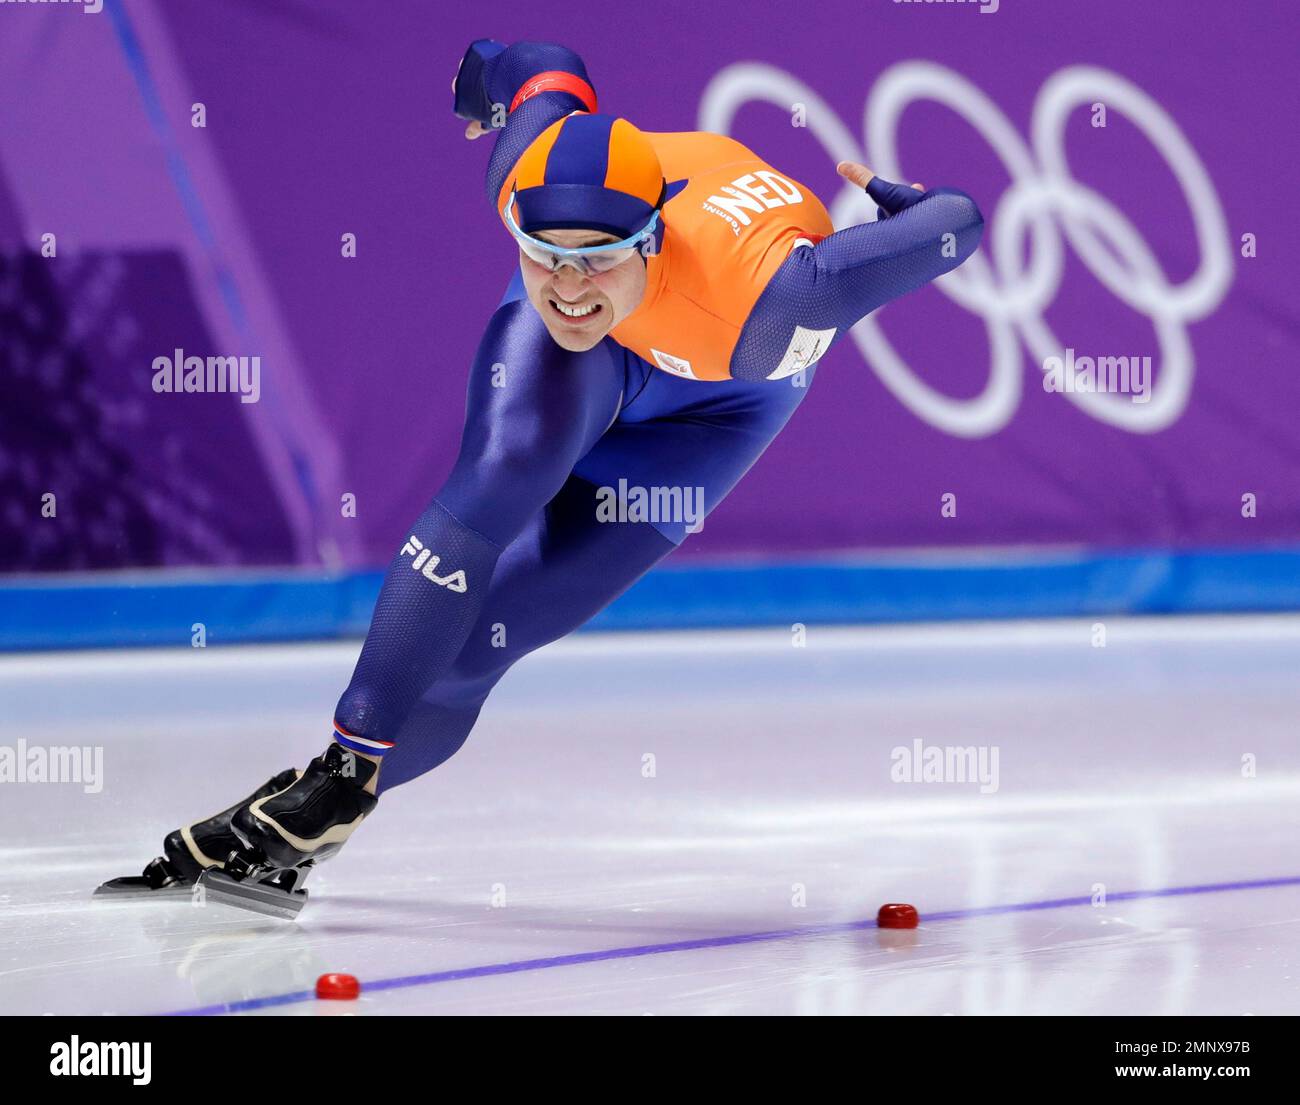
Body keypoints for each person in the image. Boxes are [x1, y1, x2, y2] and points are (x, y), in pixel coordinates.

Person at [100, 39, 984, 915]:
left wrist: (905, 211)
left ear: (652, 239)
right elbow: (540, 65)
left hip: (719, 402)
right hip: (608, 353)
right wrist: (477, 80)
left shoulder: (782, 300)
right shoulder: (528, 175)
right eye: (543, 251)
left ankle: (326, 802)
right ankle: (341, 768)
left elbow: (959, 221)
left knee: (483, 644)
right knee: (500, 476)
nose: (567, 285)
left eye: (599, 256)